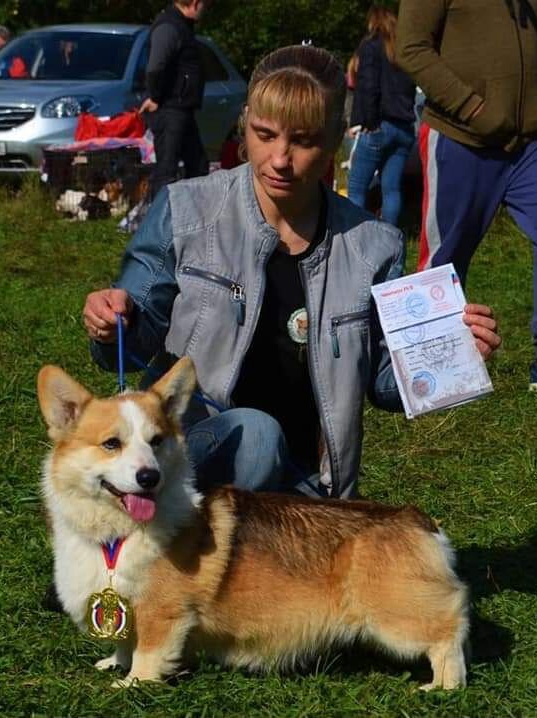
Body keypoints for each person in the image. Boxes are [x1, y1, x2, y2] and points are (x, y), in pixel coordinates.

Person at [82, 45, 501, 500]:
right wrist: (113, 324)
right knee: (257, 438)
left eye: (303, 141)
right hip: (184, 464)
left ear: (334, 139)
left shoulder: (375, 245)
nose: (280, 158)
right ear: (245, 125)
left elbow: (383, 383)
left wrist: (450, 353)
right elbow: (126, 352)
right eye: (265, 134)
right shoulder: (185, 211)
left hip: (304, 481)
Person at [396, 0, 537, 392]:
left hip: (533, 142)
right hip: (461, 136)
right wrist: (473, 108)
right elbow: (410, 48)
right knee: (447, 253)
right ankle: (433, 374)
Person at [347, 6, 419, 229]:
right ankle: (390, 237)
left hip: (378, 125)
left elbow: (368, 86)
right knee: (392, 189)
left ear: (373, 23)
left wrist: (368, 122)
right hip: (405, 128)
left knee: (357, 188)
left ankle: (356, 237)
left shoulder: (371, 46)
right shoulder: (403, 52)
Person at [139, 0, 209, 198]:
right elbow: (155, 67)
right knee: (166, 171)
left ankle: (197, 211)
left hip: (182, 108)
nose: (206, 9)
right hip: (169, 110)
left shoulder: (183, 26)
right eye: (206, 4)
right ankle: (159, 213)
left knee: (198, 166)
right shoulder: (169, 26)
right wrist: (154, 96)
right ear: (195, 3)